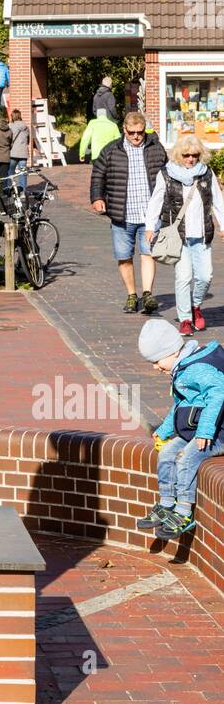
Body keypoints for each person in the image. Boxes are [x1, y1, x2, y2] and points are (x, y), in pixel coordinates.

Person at [137, 318, 224, 539]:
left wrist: (205, 431)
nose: (156, 367)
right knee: (166, 452)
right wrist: (165, 431)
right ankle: (167, 503)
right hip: (196, 430)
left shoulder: (198, 369)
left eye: (157, 361)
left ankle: (184, 512)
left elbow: (219, 393)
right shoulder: (183, 368)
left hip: (217, 432)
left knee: (186, 458)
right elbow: (181, 405)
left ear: (173, 352)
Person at [144, 134, 224, 336]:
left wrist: (223, 225)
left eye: (194, 155)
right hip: (178, 236)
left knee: (205, 276)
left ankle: (196, 305)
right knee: (183, 277)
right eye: (186, 155)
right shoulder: (167, 174)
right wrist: (150, 225)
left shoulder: (206, 173)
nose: (190, 159)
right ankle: (186, 319)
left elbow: (217, 201)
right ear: (179, 154)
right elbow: (156, 199)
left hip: (202, 235)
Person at [90, 110, 167, 314]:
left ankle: (148, 294)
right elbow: (98, 175)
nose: (135, 136)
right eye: (131, 132)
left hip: (149, 215)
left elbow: (167, 177)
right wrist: (97, 197)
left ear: (144, 131)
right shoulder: (111, 150)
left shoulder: (156, 149)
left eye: (139, 133)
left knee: (148, 253)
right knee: (124, 257)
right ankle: (132, 295)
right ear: (124, 129)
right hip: (121, 213)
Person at [8, 108, 30, 188]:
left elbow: (8, 139)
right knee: (23, 172)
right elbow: (28, 140)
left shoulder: (10, 126)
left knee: (10, 171)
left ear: (12, 116)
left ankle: (10, 189)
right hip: (23, 153)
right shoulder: (25, 127)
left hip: (13, 153)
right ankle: (23, 191)